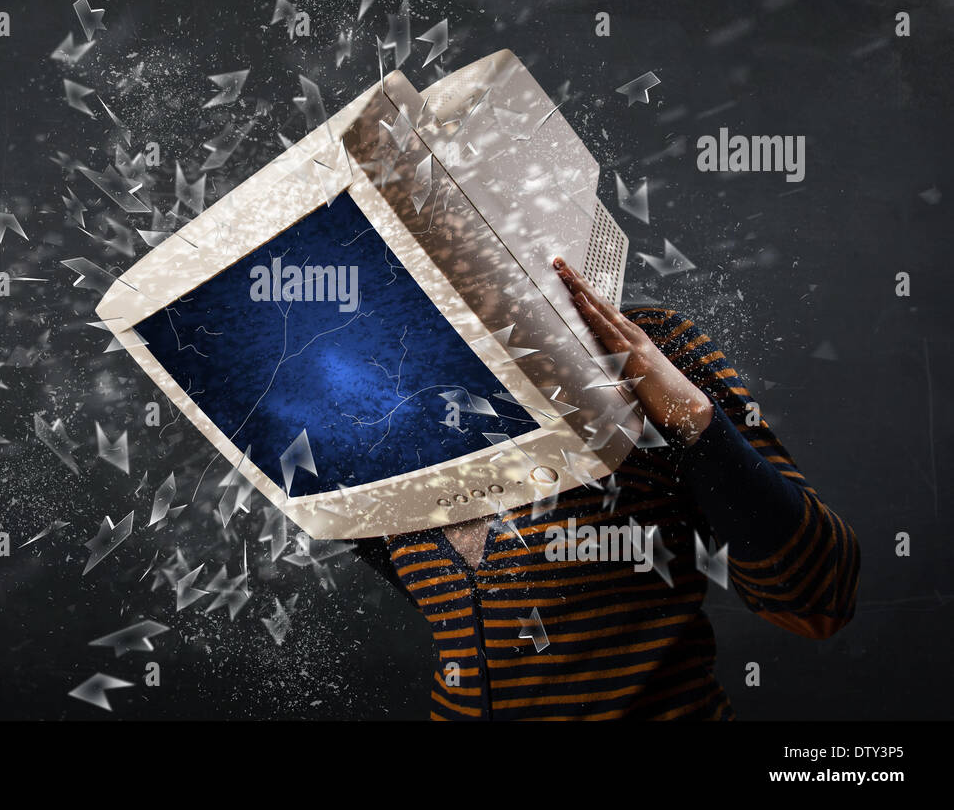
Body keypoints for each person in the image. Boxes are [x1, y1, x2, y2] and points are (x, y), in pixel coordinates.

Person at [354, 256, 861, 720]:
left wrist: (694, 421)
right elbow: (463, 613)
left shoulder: (639, 343)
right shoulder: (375, 402)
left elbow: (819, 599)